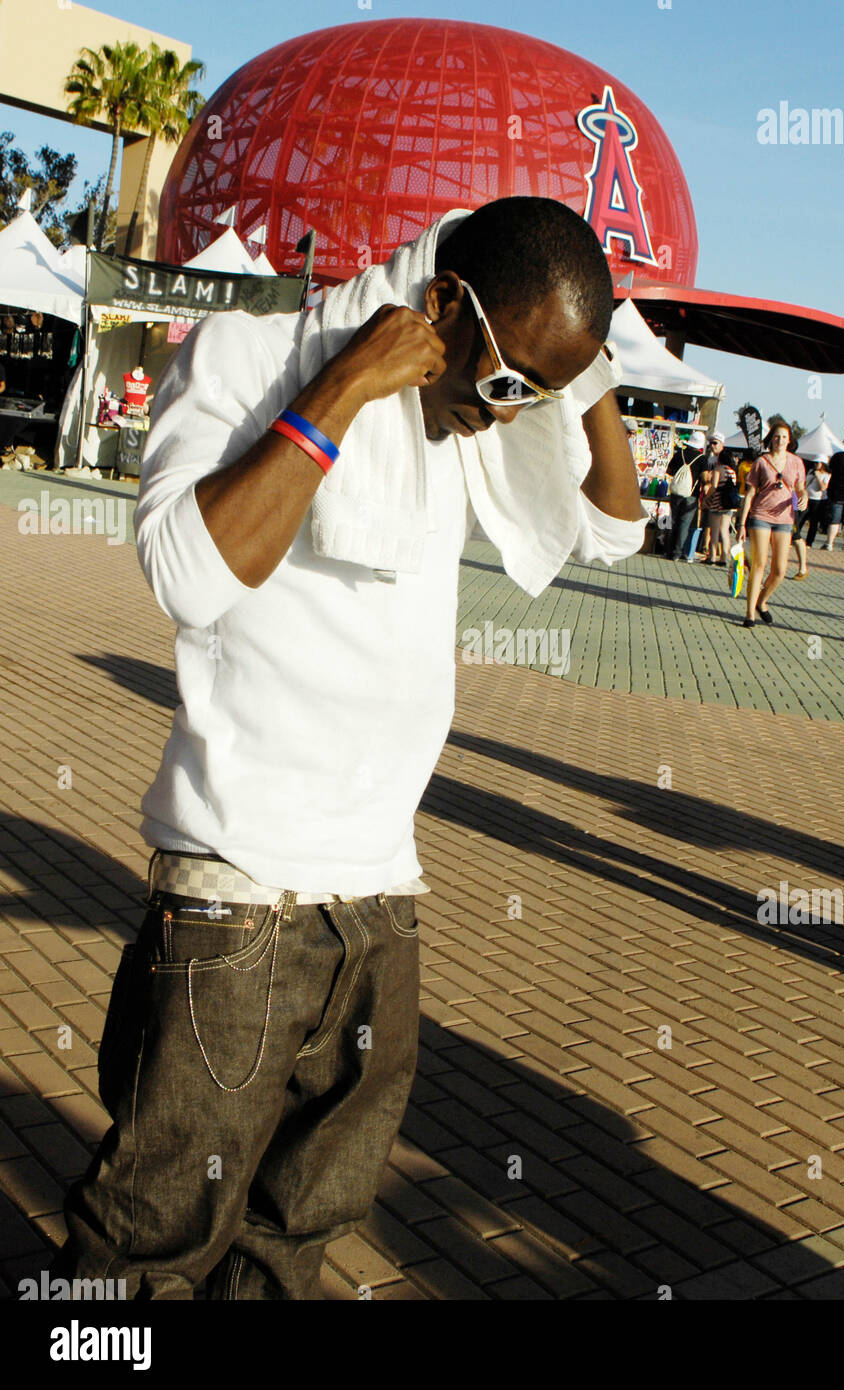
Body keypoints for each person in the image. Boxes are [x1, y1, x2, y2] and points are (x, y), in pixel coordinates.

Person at [51, 196, 647, 1301]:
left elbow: (612, 526)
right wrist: (341, 389)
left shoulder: (455, 416)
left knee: (296, 1231)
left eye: (539, 397)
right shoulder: (257, 355)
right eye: (512, 383)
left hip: (381, 906)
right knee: (144, 1236)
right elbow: (187, 572)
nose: (511, 415)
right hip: (242, 898)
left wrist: (588, 376)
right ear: (442, 303)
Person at [738, 424, 806, 626]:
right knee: (759, 565)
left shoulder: (796, 462)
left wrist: (803, 498)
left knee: (779, 571)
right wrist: (742, 523)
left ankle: (762, 601)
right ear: (771, 439)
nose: (780, 440)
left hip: (785, 519)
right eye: (776, 437)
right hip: (761, 515)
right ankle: (750, 613)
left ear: (789, 440)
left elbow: (800, 488)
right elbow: (749, 494)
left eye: (784, 437)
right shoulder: (761, 462)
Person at [666, 428, 704, 560]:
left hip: (676, 492)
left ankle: (668, 550)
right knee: (684, 524)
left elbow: (669, 471)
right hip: (691, 495)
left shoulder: (679, 454)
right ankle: (677, 553)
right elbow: (704, 477)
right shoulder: (702, 458)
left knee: (673, 520)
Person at [700, 432, 737, 563]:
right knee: (725, 530)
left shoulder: (718, 469)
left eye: (715, 443)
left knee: (714, 530)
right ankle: (724, 557)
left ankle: (712, 555)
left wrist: (706, 498)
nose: (712, 446)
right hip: (728, 503)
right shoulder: (732, 471)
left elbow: (714, 486)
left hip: (717, 502)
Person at [791, 452, 830, 576]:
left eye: (818, 463)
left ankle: (809, 542)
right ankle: (796, 536)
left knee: (814, 522)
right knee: (800, 519)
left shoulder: (826, 475)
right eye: (815, 463)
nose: (816, 465)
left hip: (818, 500)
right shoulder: (809, 473)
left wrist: (818, 476)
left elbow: (823, 488)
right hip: (805, 498)